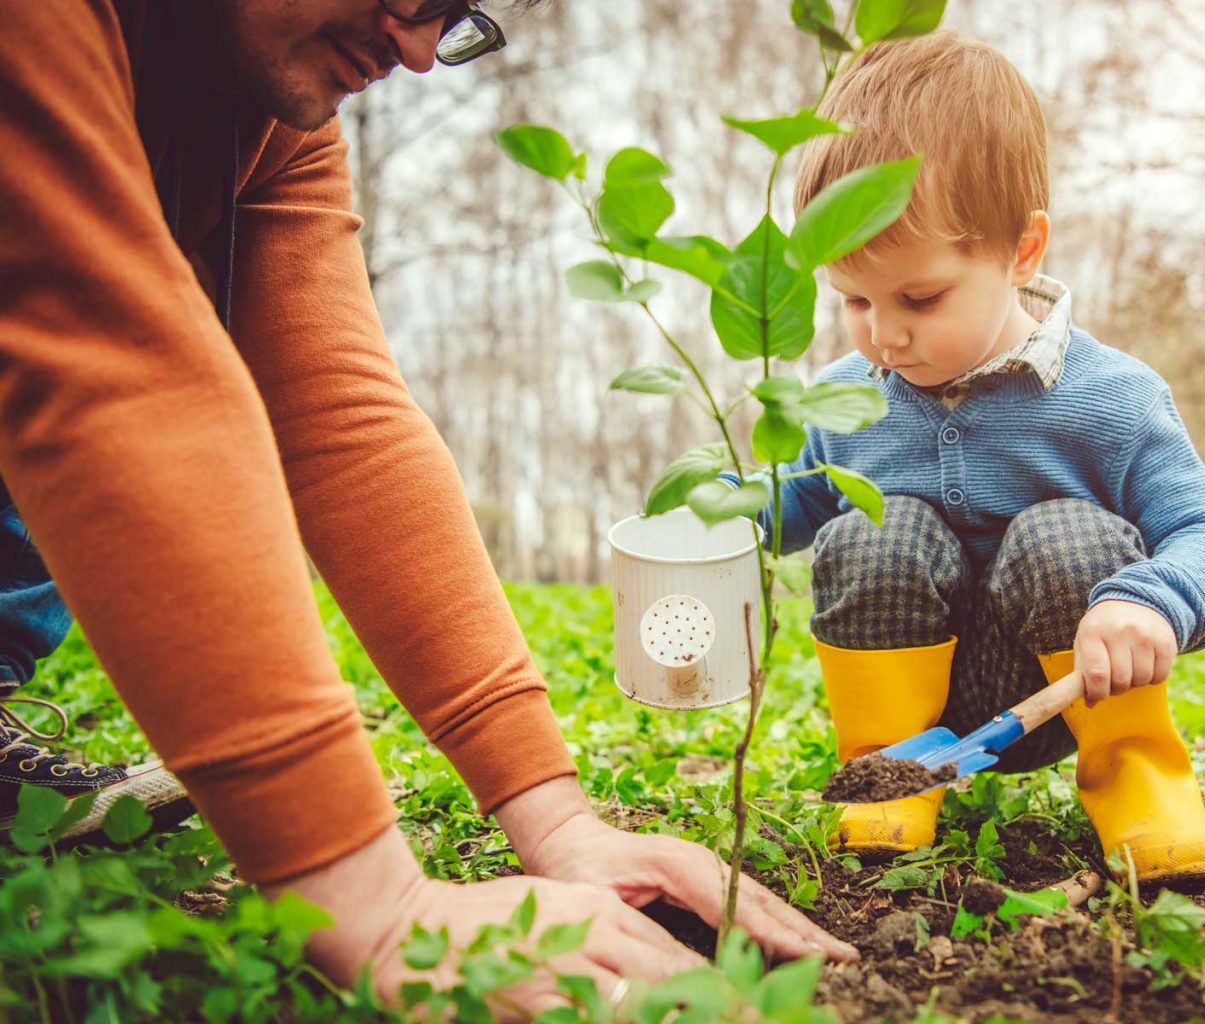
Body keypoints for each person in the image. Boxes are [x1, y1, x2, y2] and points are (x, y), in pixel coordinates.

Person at [0, 0, 855, 1012]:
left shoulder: (270, 112)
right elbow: (105, 364)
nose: (415, 50)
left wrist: (556, 821)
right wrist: (370, 895)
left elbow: (338, 417)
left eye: (455, 15)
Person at [774, 30, 1205, 883]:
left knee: (1062, 533)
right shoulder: (848, 395)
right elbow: (797, 501)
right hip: (915, 695)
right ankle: (892, 778)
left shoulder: (1112, 398)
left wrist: (1153, 605)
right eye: (852, 299)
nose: (883, 336)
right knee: (870, 530)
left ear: (1021, 252)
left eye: (919, 298)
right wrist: (723, 512)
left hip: (1071, 689)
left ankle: (1139, 781)